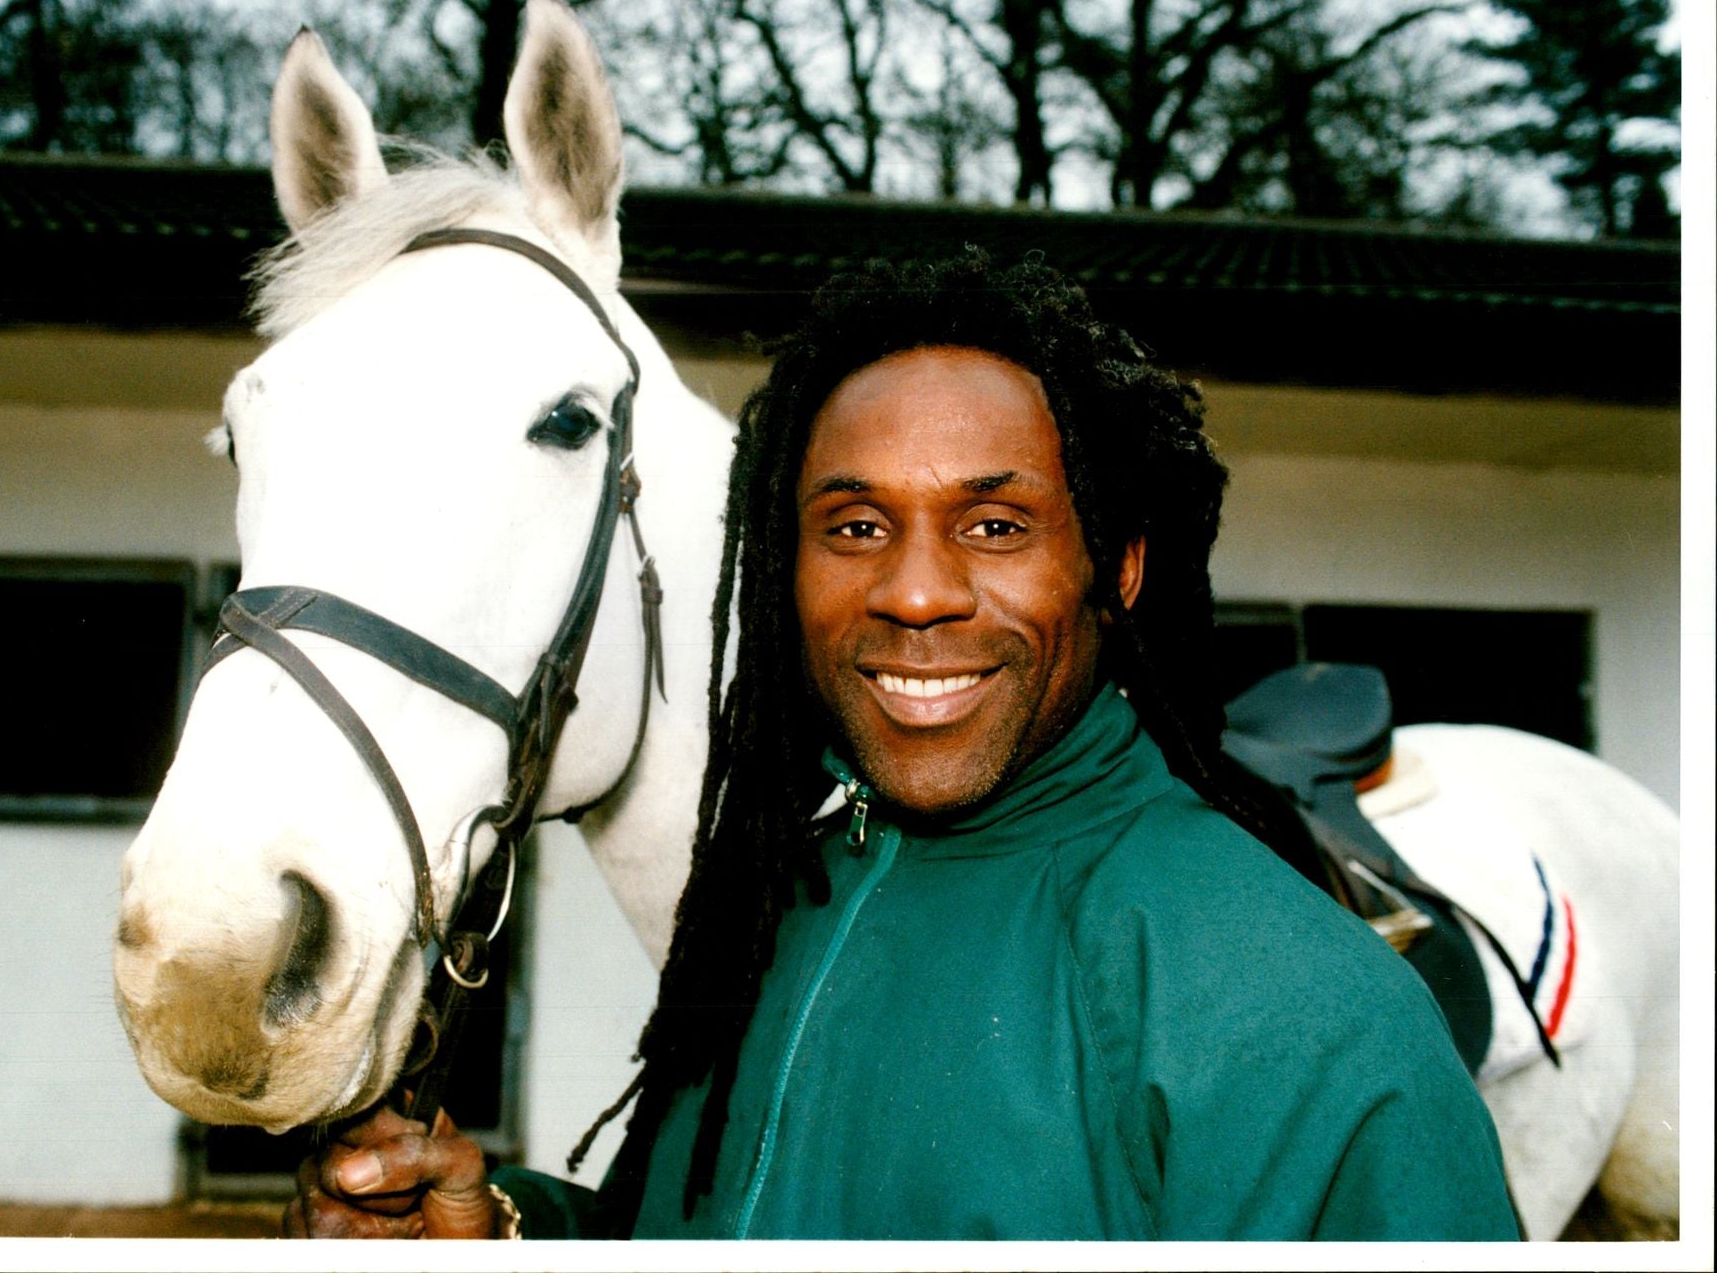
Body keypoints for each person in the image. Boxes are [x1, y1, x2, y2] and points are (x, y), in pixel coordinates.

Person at [282, 250, 1520, 1241]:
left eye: (993, 524)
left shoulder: (1301, 1012)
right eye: (856, 525)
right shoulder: (776, 913)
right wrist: (509, 1230)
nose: (914, 592)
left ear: (1118, 569)